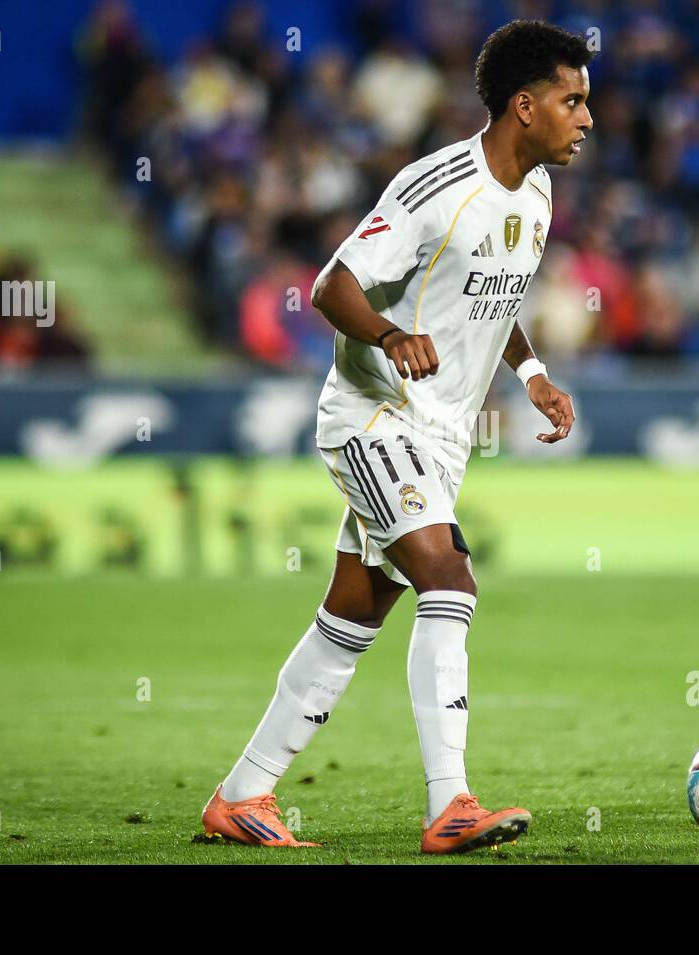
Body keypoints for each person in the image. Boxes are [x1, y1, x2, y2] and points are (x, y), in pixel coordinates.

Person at [201, 19, 592, 854]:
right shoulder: (434, 188)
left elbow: (494, 298)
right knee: (450, 578)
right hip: (375, 418)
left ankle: (242, 794)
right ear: (525, 107)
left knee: (353, 612)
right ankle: (450, 804)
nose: (586, 117)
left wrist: (531, 377)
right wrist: (387, 337)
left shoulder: (540, 194)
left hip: (442, 437)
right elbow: (331, 285)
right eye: (573, 99)